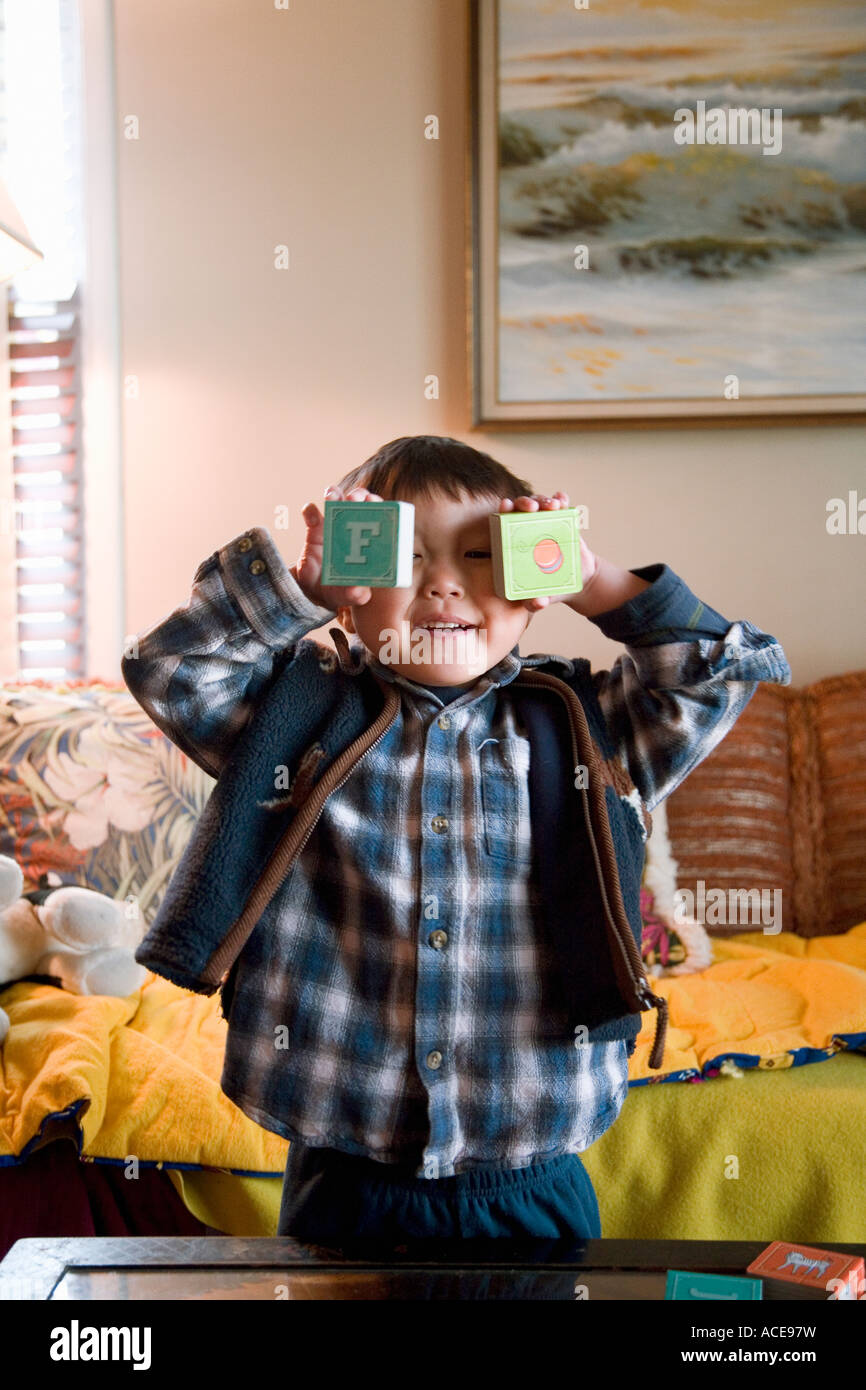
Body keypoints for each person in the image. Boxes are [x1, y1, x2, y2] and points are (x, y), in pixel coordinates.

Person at [122, 434, 791, 1247]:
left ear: (529, 581)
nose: (443, 583)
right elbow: (171, 667)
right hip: (341, 1167)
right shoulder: (295, 719)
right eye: (402, 559)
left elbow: (714, 674)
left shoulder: (591, 728)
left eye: (482, 555)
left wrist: (594, 580)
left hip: (533, 1173)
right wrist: (297, 589)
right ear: (349, 591)